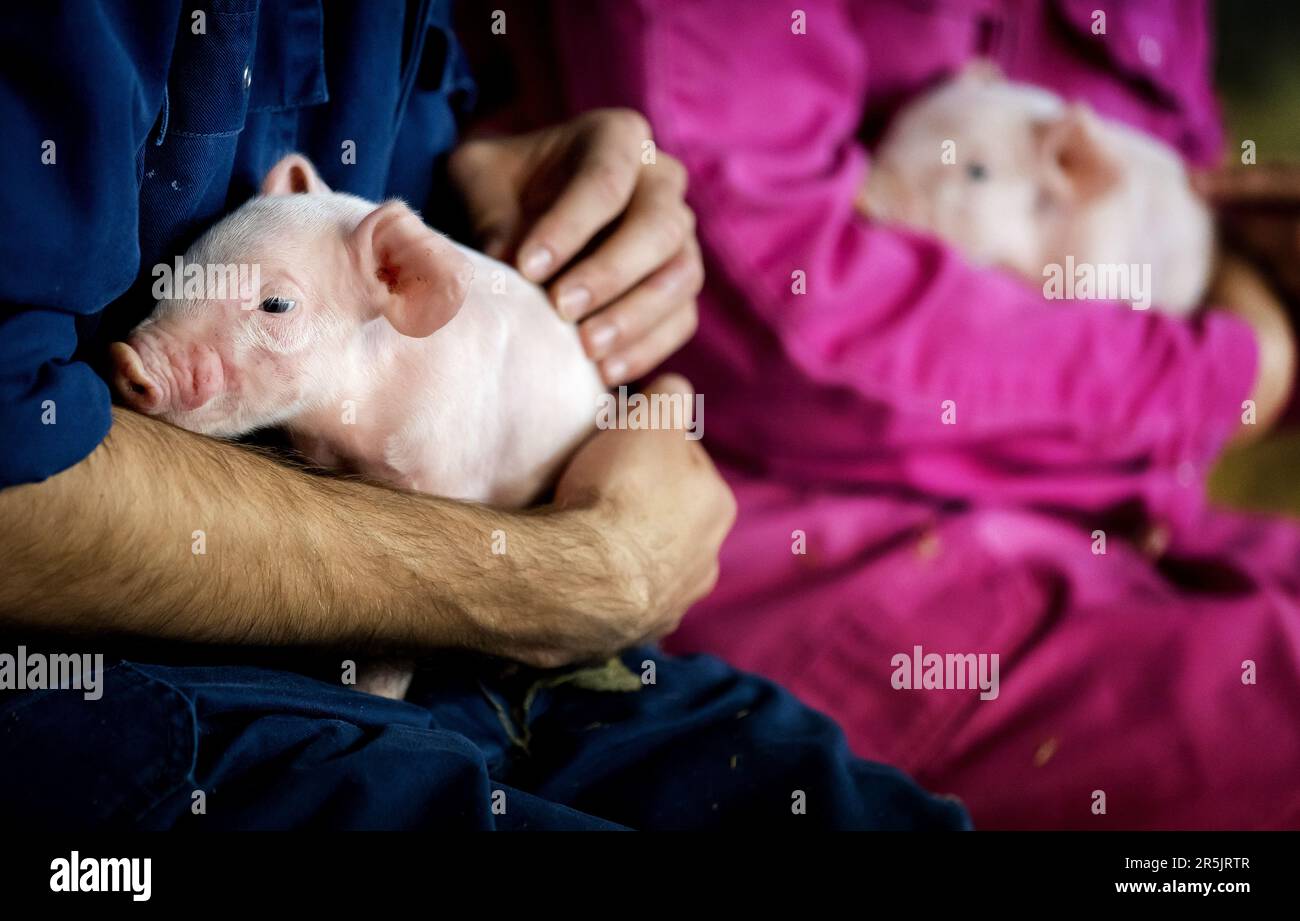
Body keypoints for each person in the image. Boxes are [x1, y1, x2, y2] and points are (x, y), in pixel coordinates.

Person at [0, 1, 968, 830]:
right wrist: (580, 571)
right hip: (122, 693)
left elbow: (340, 216)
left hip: (483, 644)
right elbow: (18, 487)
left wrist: (479, 171)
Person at [544, 0, 1300, 829]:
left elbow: (1186, 198)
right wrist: (1221, 372)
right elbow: (775, 309)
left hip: (1111, 488)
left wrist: (1240, 312)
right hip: (792, 508)